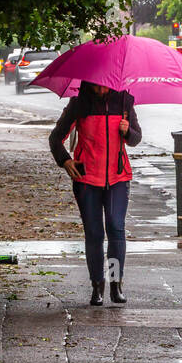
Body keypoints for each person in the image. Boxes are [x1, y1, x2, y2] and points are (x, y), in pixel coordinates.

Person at [49, 82, 142, 305]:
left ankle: (115, 284)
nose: (101, 91)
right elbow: (56, 138)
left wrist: (127, 130)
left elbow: (136, 138)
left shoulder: (124, 101)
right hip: (87, 180)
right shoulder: (79, 103)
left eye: (105, 87)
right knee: (94, 234)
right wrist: (65, 160)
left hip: (118, 178)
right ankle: (97, 286)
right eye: (97, 87)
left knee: (116, 228)